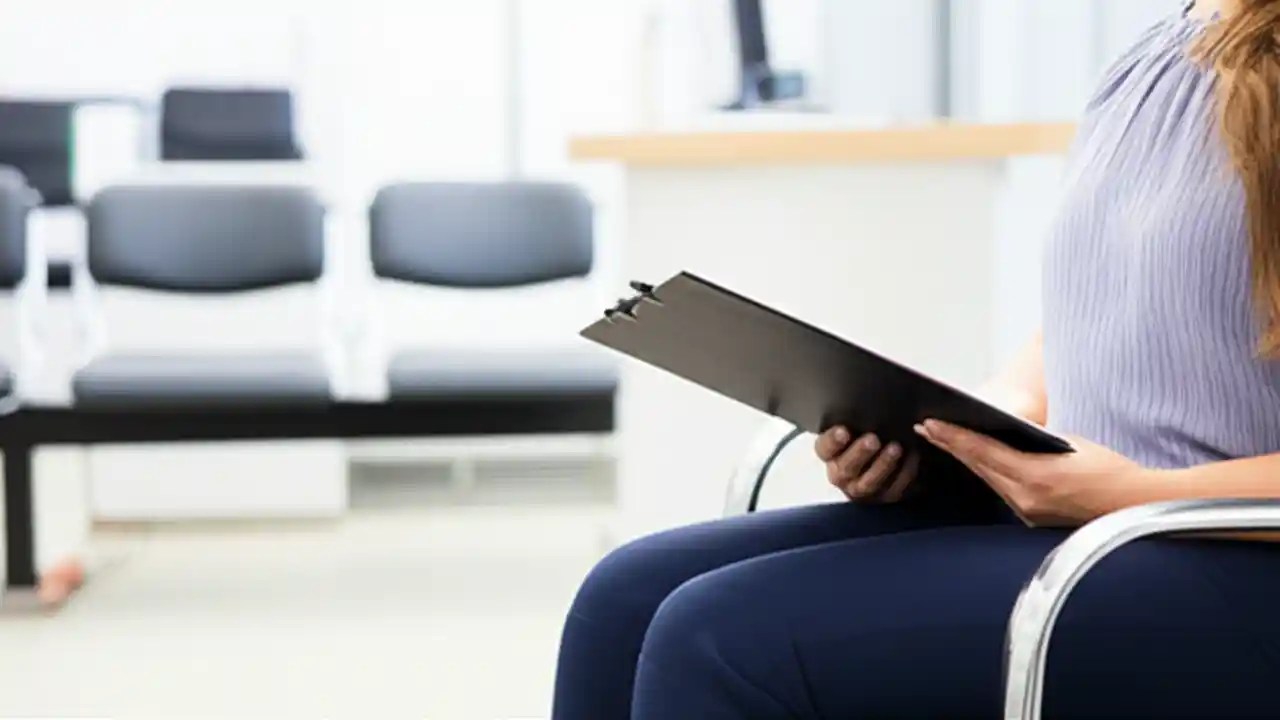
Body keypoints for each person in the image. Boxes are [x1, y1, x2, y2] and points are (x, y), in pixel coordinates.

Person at [552, 0, 1280, 717]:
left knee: (716, 639)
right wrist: (966, 435)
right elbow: (1112, 308)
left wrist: (1125, 492)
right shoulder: (1159, 54)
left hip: (1222, 558)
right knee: (626, 597)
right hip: (1086, 526)